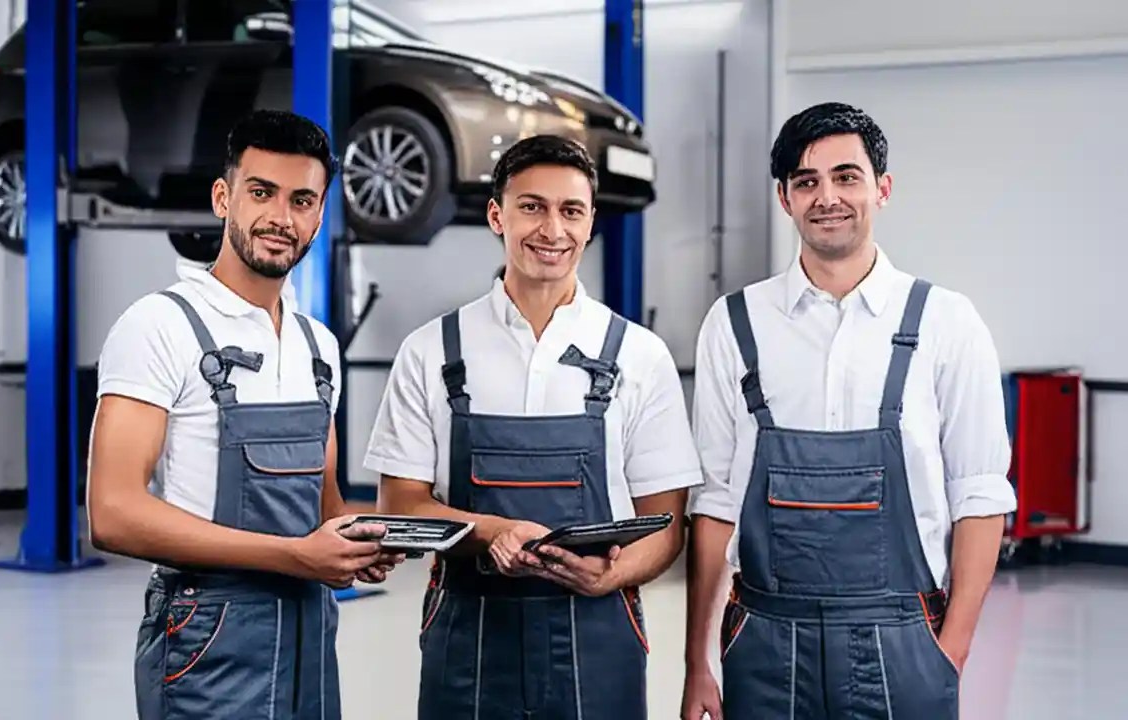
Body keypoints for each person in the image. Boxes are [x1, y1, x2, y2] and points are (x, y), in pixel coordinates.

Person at [681, 102, 1017, 719]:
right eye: (806, 181)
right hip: (762, 643)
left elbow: (980, 494)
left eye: (846, 176)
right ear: (785, 198)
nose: (826, 196)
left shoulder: (946, 322)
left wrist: (952, 651)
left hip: (905, 640)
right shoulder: (734, 324)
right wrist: (696, 661)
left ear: (882, 189)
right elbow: (715, 502)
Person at [363, 134, 703, 720]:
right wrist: (492, 529)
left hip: (598, 634)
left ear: (591, 222)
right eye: (532, 206)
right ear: (497, 215)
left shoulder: (638, 356)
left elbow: (666, 523)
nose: (552, 229)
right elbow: (401, 506)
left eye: (571, 210)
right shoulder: (432, 351)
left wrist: (610, 575)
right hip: (469, 636)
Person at [86, 109, 402, 720]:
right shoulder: (159, 326)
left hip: (310, 631)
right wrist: (296, 557)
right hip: (205, 636)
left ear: (319, 214)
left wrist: (360, 541)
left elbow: (324, 505)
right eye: (262, 193)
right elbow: (112, 513)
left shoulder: (319, 347)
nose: (282, 218)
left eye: (303, 200)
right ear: (223, 197)